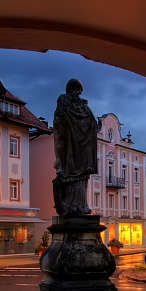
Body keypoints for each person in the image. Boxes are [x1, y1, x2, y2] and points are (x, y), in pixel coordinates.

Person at [52, 79, 100, 216]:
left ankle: (77, 206)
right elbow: (94, 126)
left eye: (79, 91)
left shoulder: (70, 106)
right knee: (75, 179)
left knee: (77, 179)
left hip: (74, 151)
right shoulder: (80, 107)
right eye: (77, 90)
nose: (78, 93)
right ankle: (77, 206)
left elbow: (59, 126)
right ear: (73, 90)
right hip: (77, 151)